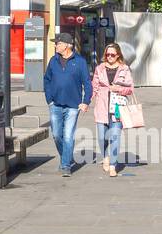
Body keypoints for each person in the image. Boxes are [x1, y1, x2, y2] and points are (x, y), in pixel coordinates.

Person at [44, 33, 91, 177]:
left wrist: (85, 101)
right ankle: (67, 156)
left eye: (58, 43)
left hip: (73, 106)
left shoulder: (80, 62)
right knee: (57, 135)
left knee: (68, 136)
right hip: (55, 104)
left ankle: (65, 166)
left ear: (67, 45)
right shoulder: (53, 60)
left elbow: (87, 84)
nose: (55, 45)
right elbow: (46, 80)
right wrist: (49, 100)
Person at [90, 42, 134, 177]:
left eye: (112, 54)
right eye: (107, 54)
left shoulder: (124, 69)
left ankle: (113, 165)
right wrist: (86, 101)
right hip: (102, 107)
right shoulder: (100, 68)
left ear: (118, 55)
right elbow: (94, 86)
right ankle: (105, 157)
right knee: (102, 137)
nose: (109, 57)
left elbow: (131, 89)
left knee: (115, 136)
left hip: (117, 108)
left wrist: (119, 89)